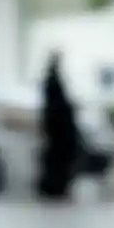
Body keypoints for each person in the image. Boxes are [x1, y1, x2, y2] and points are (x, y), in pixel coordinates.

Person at [37, 50, 83, 199]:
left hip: (59, 128)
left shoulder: (53, 79)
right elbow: (55, 107)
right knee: (58, 160)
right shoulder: (52, 80)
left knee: (60, 160)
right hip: (59, 129)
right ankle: (55, 188)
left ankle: (57, 187)